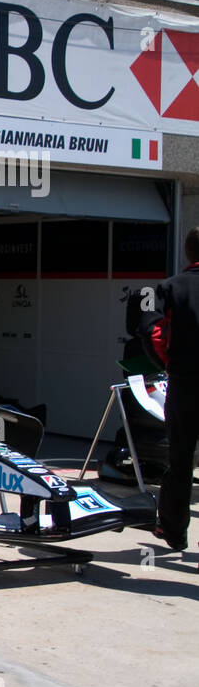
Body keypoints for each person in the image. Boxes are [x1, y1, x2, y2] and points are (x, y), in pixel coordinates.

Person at [146, 226, 199, 556]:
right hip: (184, 380)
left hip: (186, 384)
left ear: (188, 253)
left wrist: (169, 365)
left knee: (180, 462)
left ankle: (174, 531)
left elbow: (152, 333)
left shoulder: (169, 288)